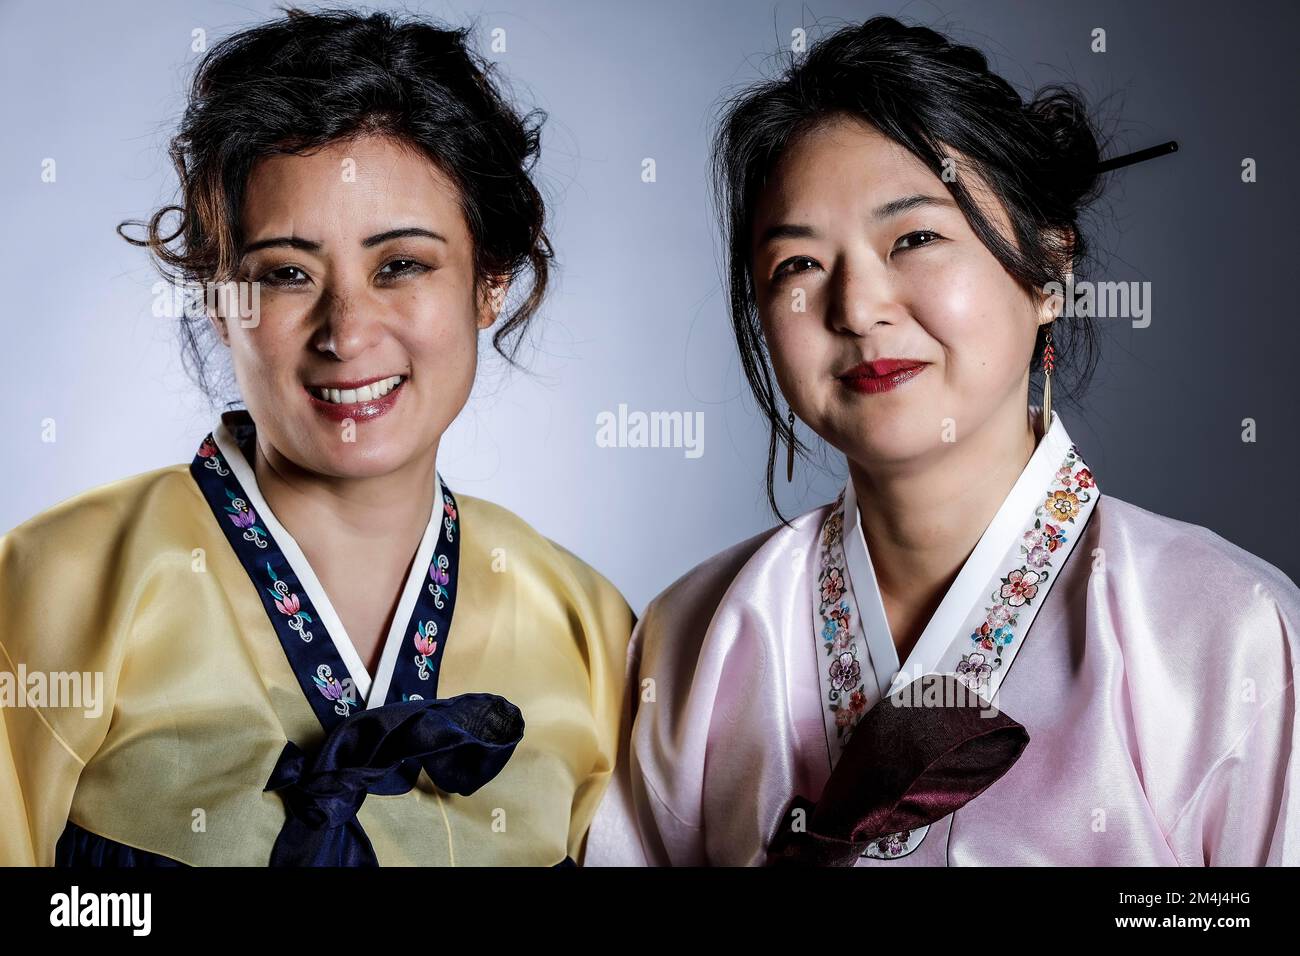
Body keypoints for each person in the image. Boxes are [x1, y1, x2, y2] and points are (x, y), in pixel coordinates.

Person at [585, 16, 1299, 866]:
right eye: (798, 266)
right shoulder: (699, 633)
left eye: (914, 239)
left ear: (1046, 270)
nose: (857, 306)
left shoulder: (1225, 632)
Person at [0, 8, 632, 867]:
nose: (347, 331)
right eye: (287, 274)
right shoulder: (55, 584)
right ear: (224, 303)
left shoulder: (588, 630)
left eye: (401, 265)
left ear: (490, 284)